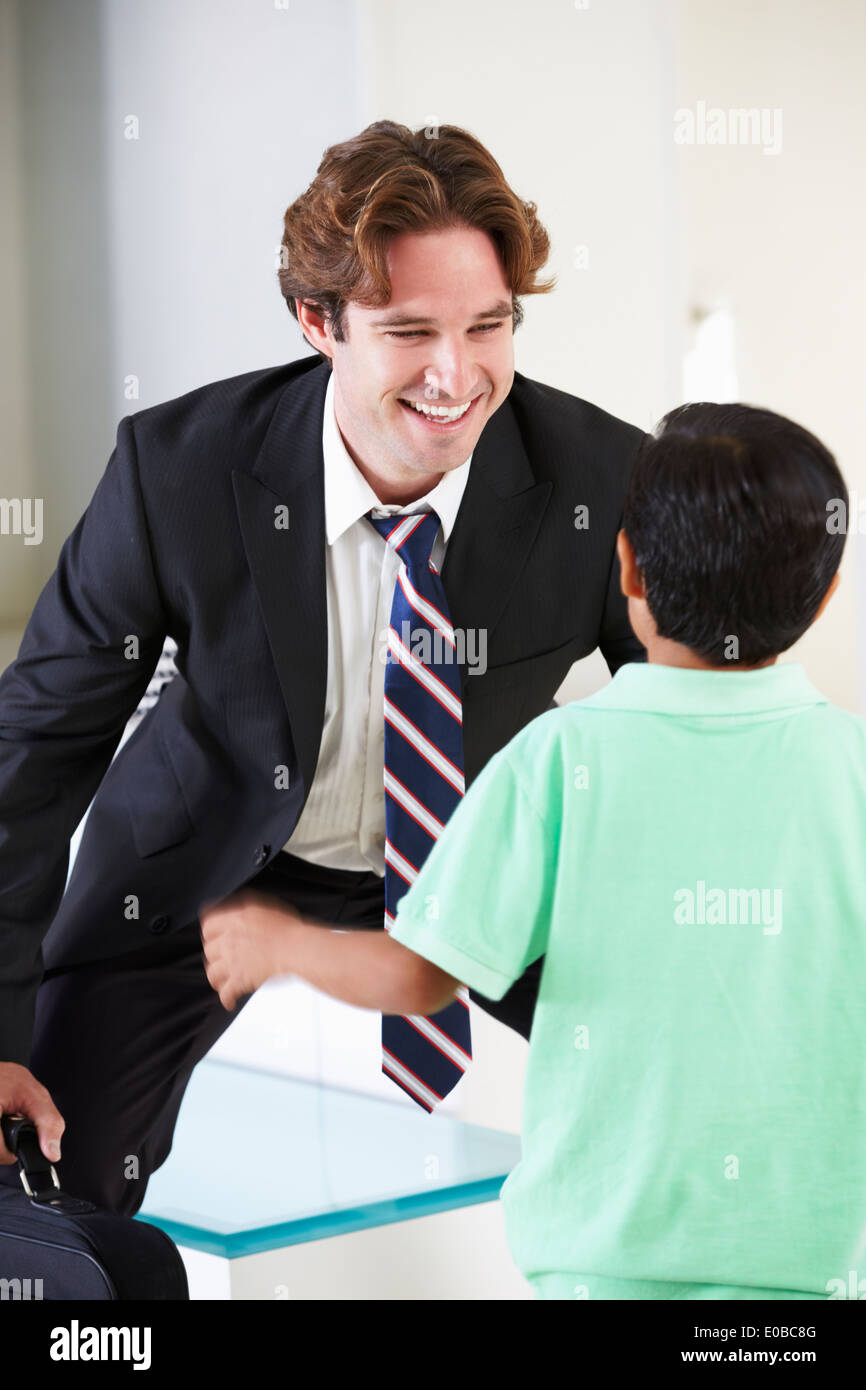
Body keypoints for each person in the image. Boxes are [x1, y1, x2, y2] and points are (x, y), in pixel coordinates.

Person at [0, 120, 646, 1215]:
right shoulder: (179, 469)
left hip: (470, 854)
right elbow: (37, 747)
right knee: (52, 1170)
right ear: (318, 322)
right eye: (408, 331)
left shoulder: (602, 478)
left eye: (488, 325)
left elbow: (682, 720)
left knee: (684, 1063)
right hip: (211, 858)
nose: (456, 376)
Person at [204, 401, 866, 1300]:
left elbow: (422, 977)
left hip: (603, 1264)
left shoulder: (560, 760)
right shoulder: (853, 770)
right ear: (827, 594)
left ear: (627, 567)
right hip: (816, 1265)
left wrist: (280, 943)